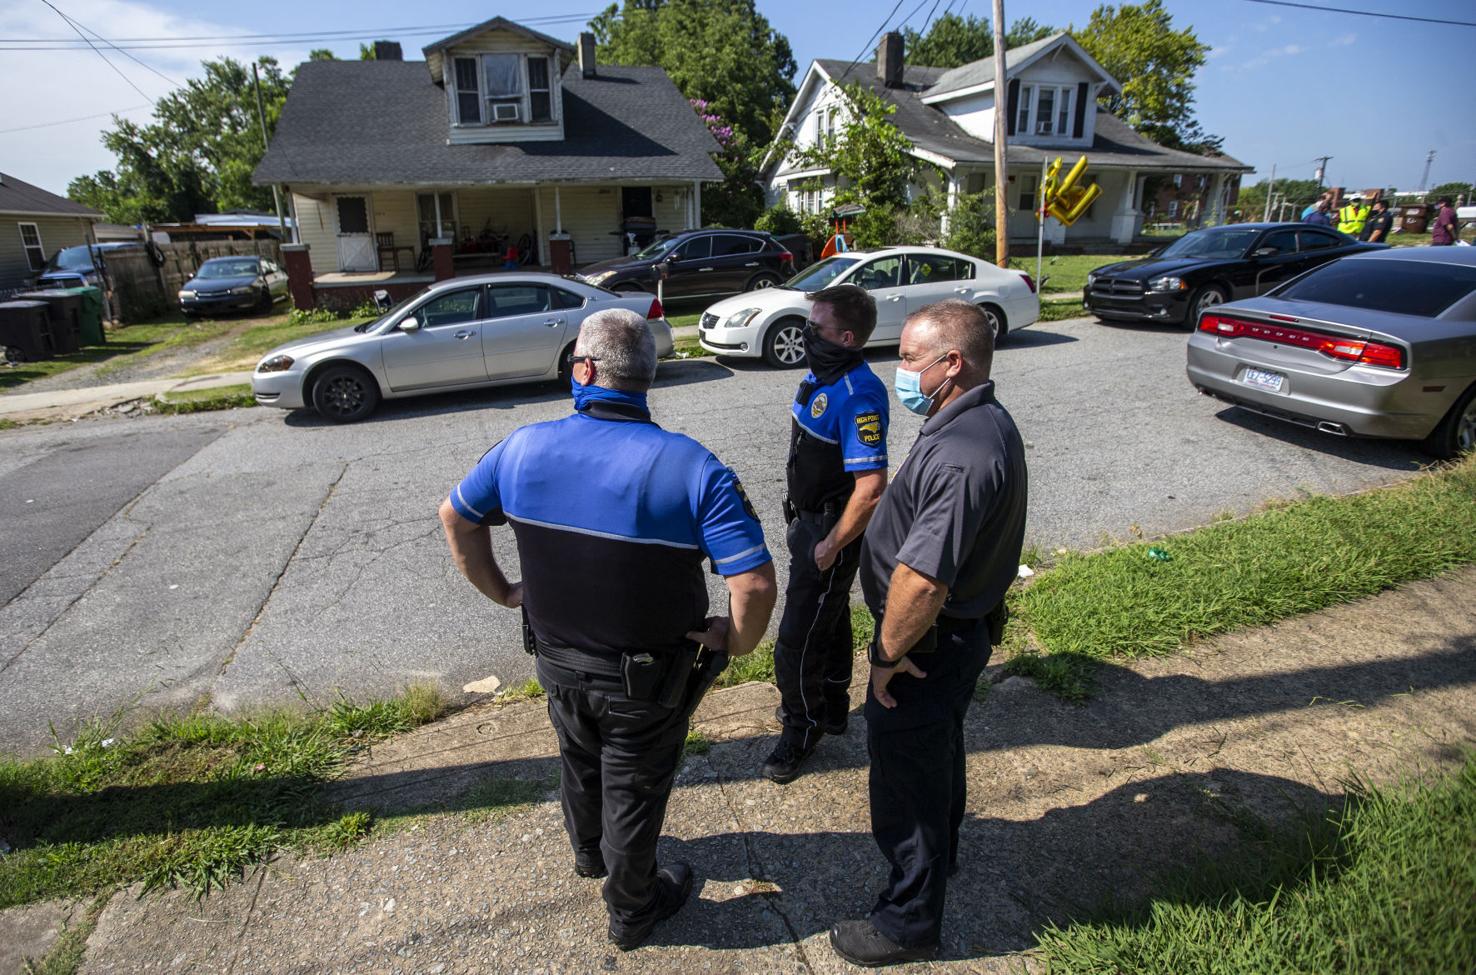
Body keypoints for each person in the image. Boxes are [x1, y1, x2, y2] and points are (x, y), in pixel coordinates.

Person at [439, 309, 777, 951]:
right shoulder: (693, 467)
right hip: (646, 681)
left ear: (586, 371)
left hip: (557, 659)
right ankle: (632, 910)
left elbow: (456, 516)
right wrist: (735, 641)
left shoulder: (521, 447)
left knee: (578, 757)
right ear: (645, 378)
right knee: (635, 785)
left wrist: (505, 592)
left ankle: (589, 854)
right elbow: (756, 584)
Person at [829, 300, 1028, 967]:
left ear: (953, 362)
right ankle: (943, 854)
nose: (899, 369)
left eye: (910, 357)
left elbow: (922, 582)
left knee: (907, 778)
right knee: (938, 750)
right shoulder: (973, 421)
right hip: (952, 642)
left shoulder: (962, 455)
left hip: (925, 649)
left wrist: (886, 654)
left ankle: (908, 921)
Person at [763, 283, 890, 784]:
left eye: (817, 327)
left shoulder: (859, 393)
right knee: (830, 619)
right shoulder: (823, 374)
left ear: (848, 336)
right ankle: (833, 705)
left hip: (830, 531)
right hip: (808, 521)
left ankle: (803, 726)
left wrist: (831, 544)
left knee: (795, 640)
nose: (806, 333)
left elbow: (873, 486)